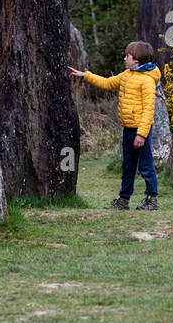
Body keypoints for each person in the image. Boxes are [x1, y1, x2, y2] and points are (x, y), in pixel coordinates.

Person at [68, 40, 161, 210]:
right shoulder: (126, 74)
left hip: (141, 131)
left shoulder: (147, 81)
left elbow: (149, 110)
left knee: (146, 166)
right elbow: (108, 83)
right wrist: (85, 75)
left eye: (128, 56)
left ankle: (152, 201)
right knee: (128, 167)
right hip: (127, 129)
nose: (124, 58)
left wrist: (141, 134)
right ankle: (123, 201)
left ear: (137, 60)